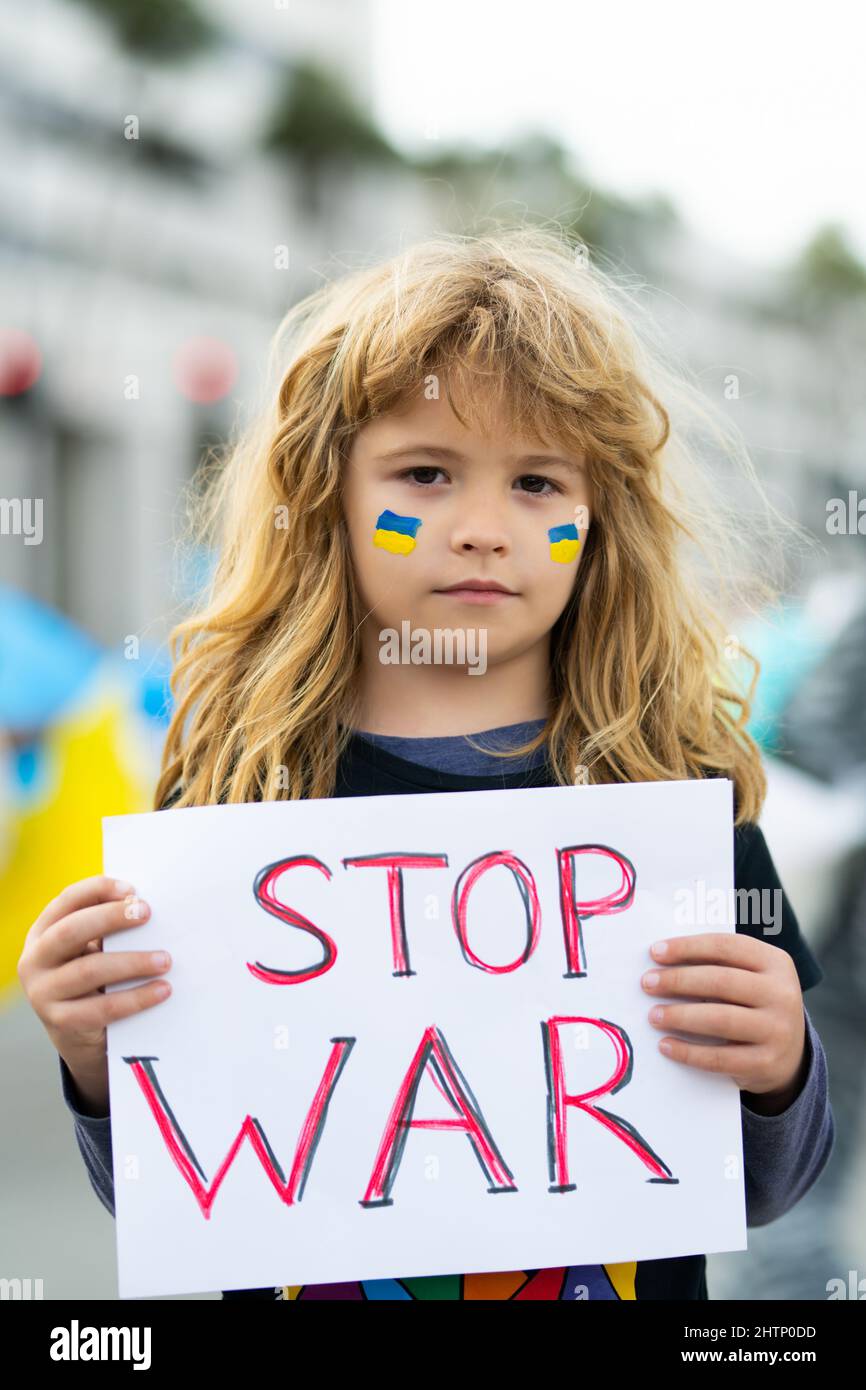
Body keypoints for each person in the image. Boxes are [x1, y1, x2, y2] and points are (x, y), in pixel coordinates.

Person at [19, 227, 834, 1300]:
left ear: (600, 519)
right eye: (425, 472)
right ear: (328, 499)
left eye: (538, 482)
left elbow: (766, 1187)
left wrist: (778, 1073)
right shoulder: (235, 786)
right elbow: (177, 1192)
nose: (483, 528)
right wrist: (91, 1057)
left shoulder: (671, 791)